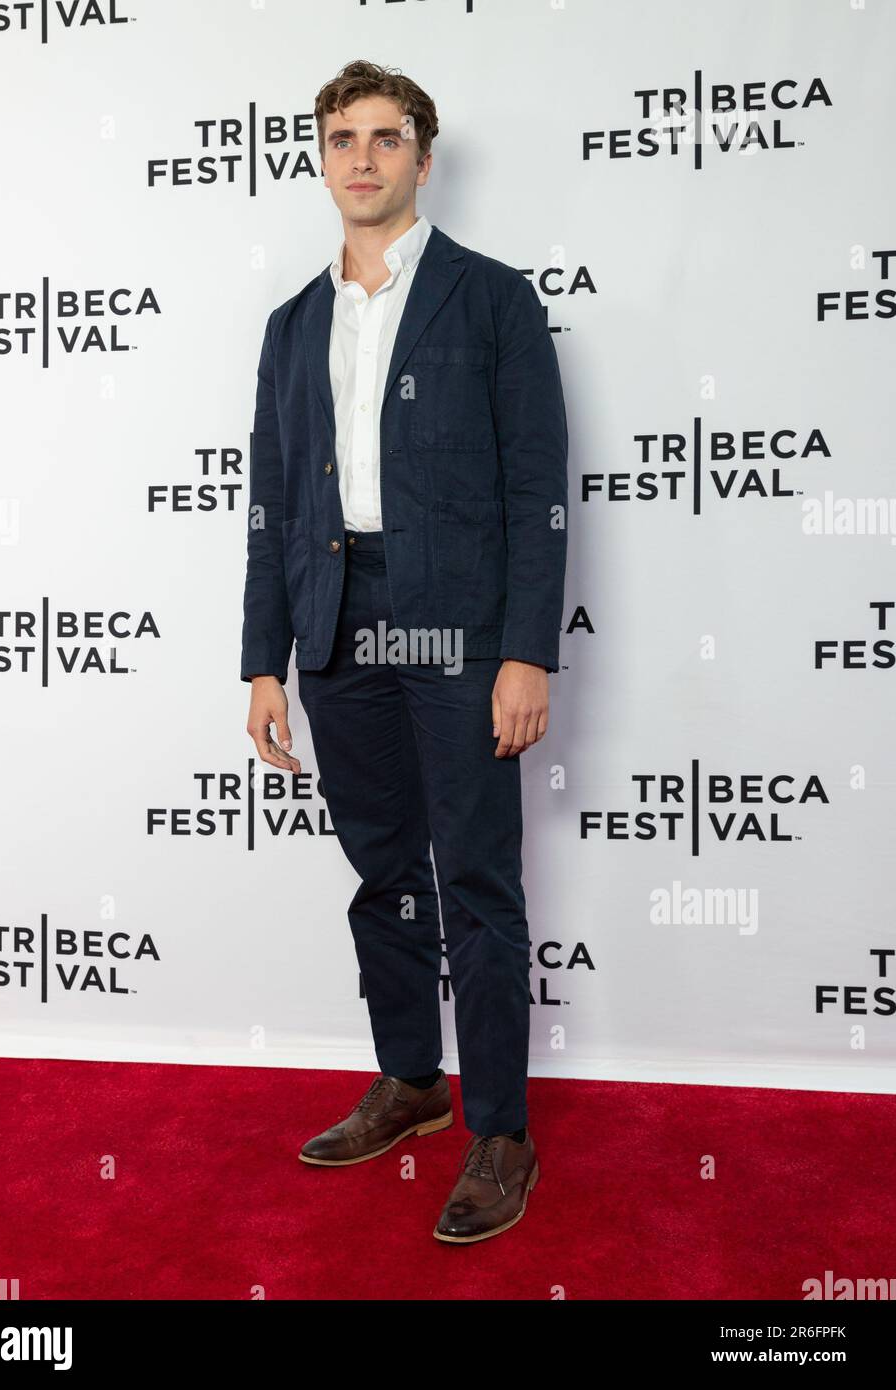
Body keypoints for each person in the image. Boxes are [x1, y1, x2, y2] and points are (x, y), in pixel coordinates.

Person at [241, 59, 568, 1243]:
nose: (362, 159)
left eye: (386, 139)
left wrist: (524, 649)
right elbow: (271, 504)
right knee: (380, 871)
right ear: (321, 160)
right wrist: (263, 658)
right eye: (341, 140)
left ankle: (501, 1130)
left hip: (457, 631)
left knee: (475, 881)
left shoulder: (492, 300)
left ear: (423, 159)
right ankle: (411, 1083)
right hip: (336, 621)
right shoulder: (291, 326)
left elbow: (538, 486)